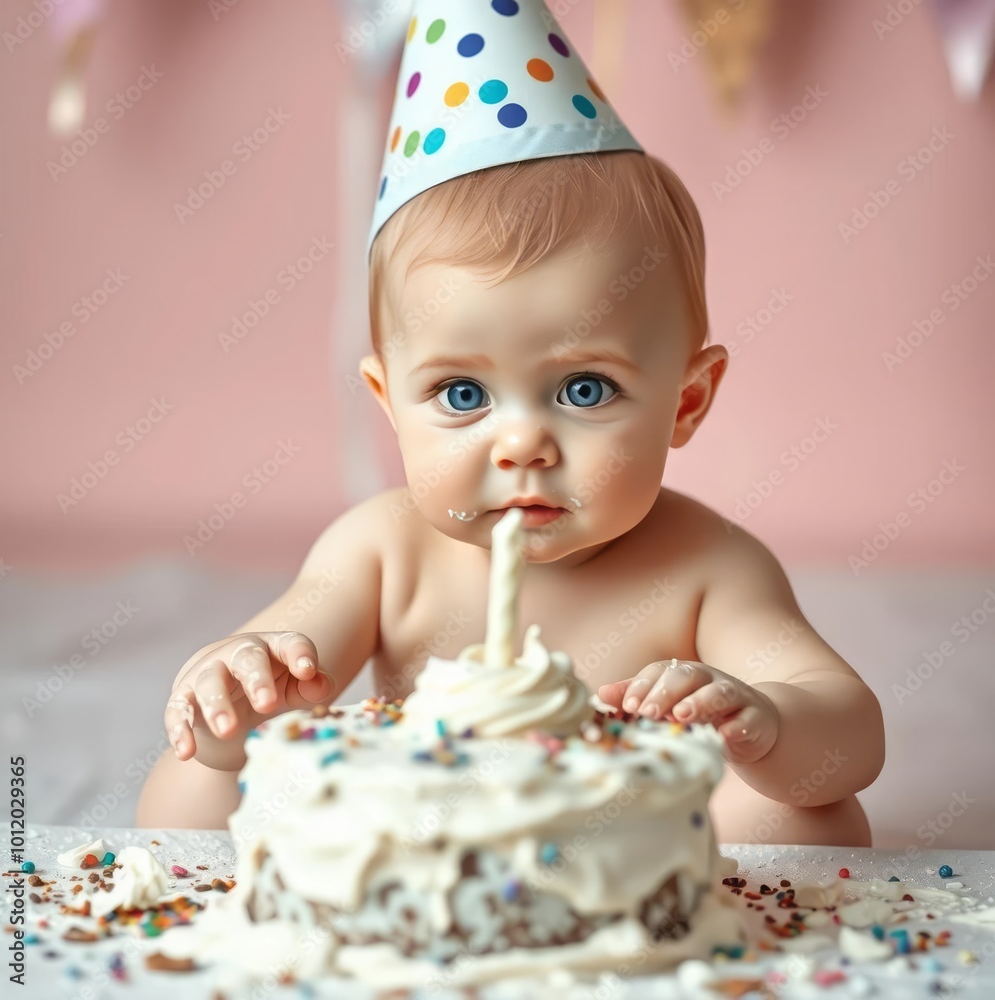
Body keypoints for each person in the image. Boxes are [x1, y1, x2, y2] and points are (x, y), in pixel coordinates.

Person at [137, 2, 884, 842]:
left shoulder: (709, 567)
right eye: (462, 396)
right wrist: (243, 682)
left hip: (631, 857)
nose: (521, 443)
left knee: (809, 812)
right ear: (389, 407)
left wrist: (770, 724)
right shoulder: (381, 549)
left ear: (686, 402)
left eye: (585, 390)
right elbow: (287, 641)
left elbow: (849, 727)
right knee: (198, 772)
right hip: (418, 849)